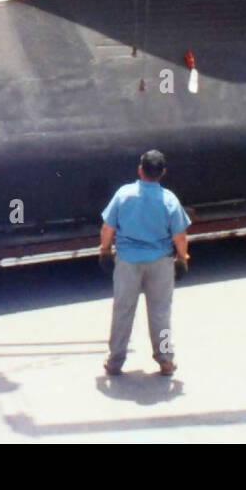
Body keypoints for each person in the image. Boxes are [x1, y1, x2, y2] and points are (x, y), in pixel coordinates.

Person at [99, 149, 191, 377]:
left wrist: (104, 250)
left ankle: (115, 361)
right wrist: (182, 258)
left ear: (140, 169)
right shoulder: (169, 199)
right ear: (163, 173)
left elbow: (107, 228)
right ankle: (166, 361)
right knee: (161, 312)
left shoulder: (123, 195)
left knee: (122, 311)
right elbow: (180, 236)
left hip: (127, 263)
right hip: (160, 263)